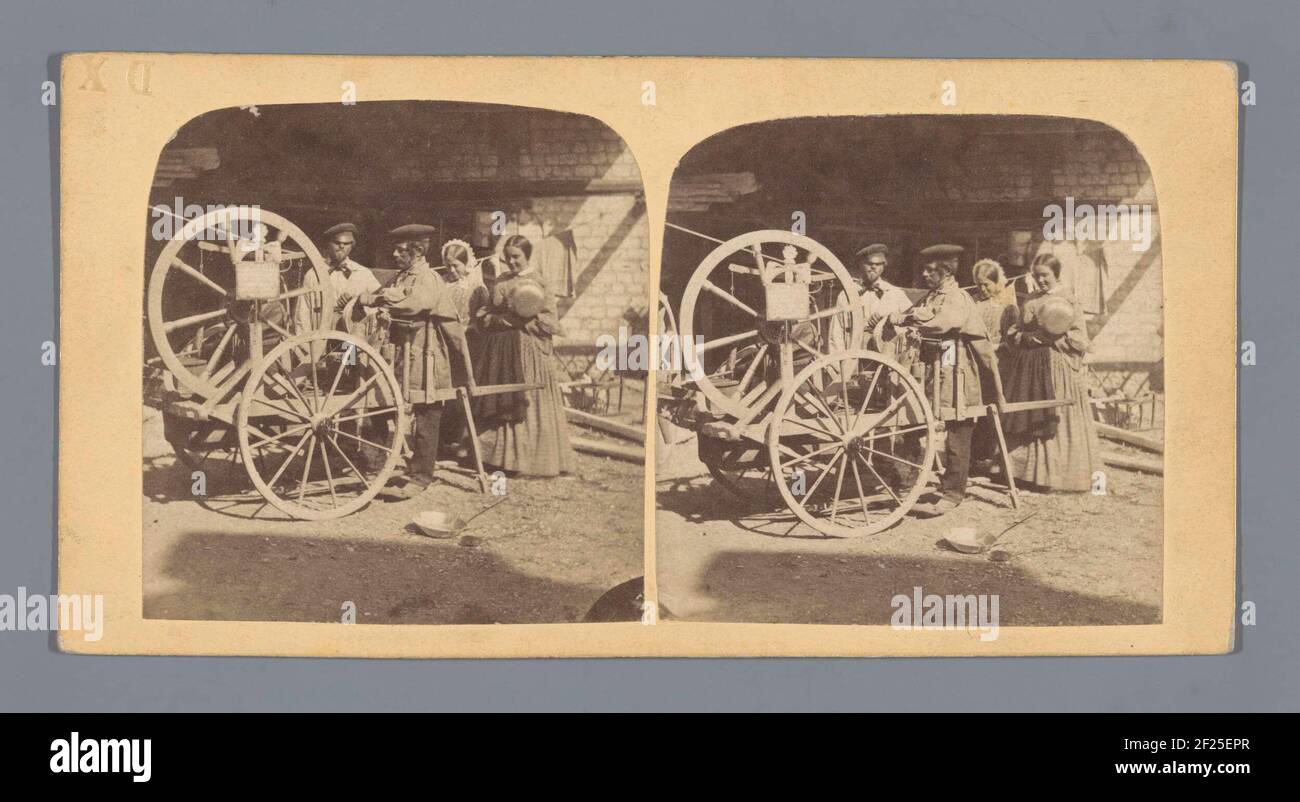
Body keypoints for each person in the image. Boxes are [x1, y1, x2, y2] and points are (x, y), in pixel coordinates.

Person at [354, 224, 470, 497]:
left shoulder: (427, 278)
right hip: (399, 352)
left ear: (417, 252)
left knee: (426, 412)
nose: (395, 254)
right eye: (394, 249)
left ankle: (420, 476)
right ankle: (379, 464)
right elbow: (384, 298)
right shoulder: (400, 277)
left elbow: (415, 305)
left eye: (401, 250)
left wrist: (382, 299)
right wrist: (376, 297)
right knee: (380, 403)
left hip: (424, 354)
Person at [887, 244, 992, 516]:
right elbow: (921, 315)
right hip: (934, 366)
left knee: (957, 427)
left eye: (931, 270)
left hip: (955, 366)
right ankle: (917, 482)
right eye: (924, 269)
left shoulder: (956, 297)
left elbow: (944, 323)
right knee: (923, 419)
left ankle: (954, 491)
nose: (924, 274)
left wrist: (909, 318)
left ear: (946, 272)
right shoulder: (932, 296)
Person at [472, 234, 575, 477]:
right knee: (500, 399)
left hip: (528, 352)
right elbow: (487, 310)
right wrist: (491, 318)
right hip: (500, 352)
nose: (511, 262)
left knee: (525, 401)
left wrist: (521, 320)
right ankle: (498, 458)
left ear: (527, 256)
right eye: (507, 257)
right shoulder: (501, 280)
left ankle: (528, 462)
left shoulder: (539, 282)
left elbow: (550, 321)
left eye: (516, 257)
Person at [1000, 253, 1103, 491]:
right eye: (1037, 276)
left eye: (1045, 275)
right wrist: (1022, 336)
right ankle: (1025, 474)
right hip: (1028, 366)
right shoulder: (1031, 298)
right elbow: (1016, 328)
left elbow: (1079, 338)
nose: (1041, 280)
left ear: (1056, 274)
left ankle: (1056, 477)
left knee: (1053, 414)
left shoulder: (1068, 299)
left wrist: (1051, 337)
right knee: (1027, 412)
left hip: (1056, 367)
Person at [828, 243, 913, 360]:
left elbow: (911, 327)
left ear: (884, 265)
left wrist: (887, 322)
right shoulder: (847, 295)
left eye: (878, 264)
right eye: (869, 263)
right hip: (854, 359)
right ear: (860, 264)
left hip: (885, 360)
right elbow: (836, 334)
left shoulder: (896, 294)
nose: (873, 267)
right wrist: (837, 367)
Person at [295, 222, 381, 335]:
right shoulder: (314, 274)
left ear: (352, 245)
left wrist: (355, 305)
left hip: (352, 338)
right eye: (337, 243)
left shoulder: (363, 274)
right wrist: (305, 346)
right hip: (322, 337)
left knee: (349, 353)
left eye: (347, 243)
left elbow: (379, 307)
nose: (342, 246)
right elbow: (302, 314)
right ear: (328, 244)